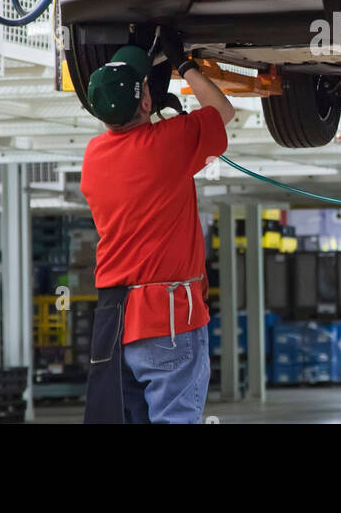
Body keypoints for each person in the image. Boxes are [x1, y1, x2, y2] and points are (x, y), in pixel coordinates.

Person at [78, 28, 234, 424]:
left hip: (117, 327)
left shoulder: (94, 158)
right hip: (168, 320)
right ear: (147, 100)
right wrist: (185, 65)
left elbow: (129, 132)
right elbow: (222, 111)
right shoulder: (168, 144)